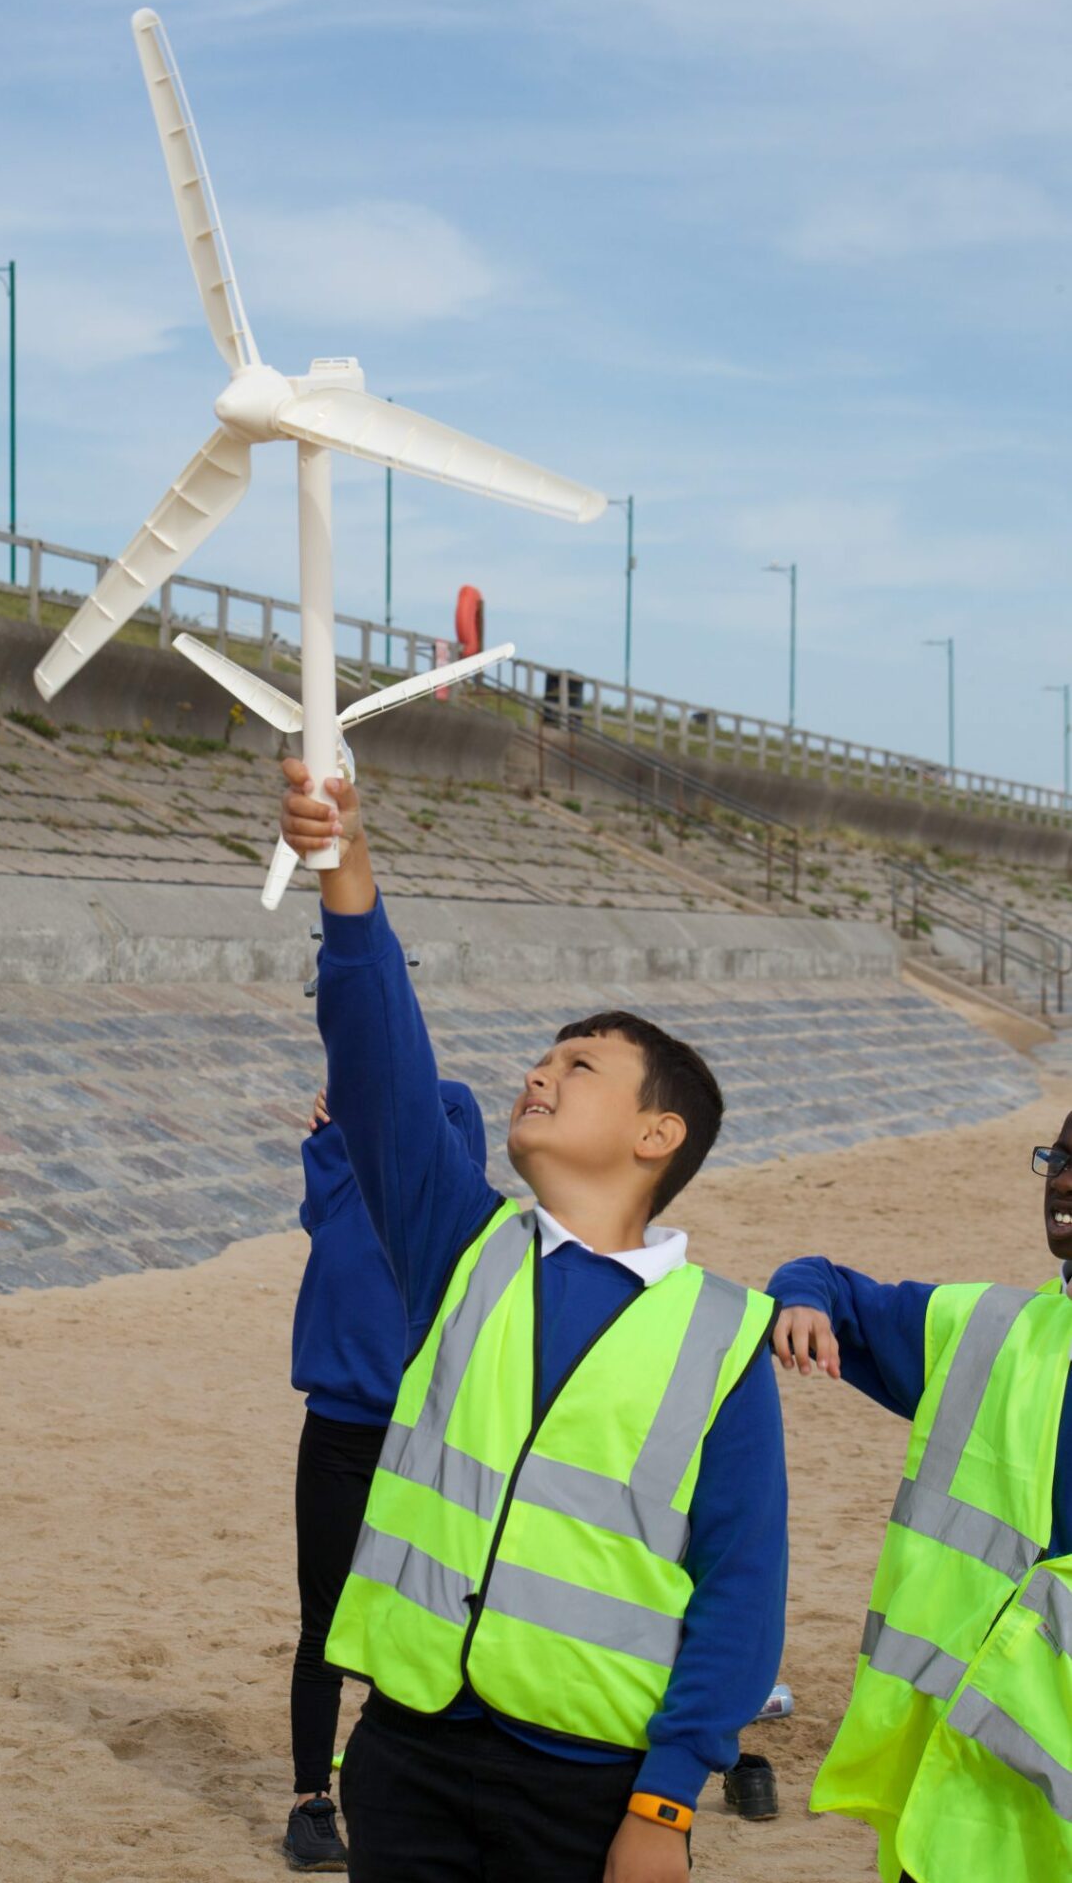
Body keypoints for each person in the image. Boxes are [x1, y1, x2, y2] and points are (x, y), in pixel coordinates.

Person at [278, 758, 788, 1883]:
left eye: (580, 1064)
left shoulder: (726, 1338)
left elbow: (742, 1595)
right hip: (406, 1751)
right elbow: (379, 1059)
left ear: (658, 1135)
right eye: (543, 1055)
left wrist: (666, 1802)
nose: (537, 1072)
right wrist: (348, 865)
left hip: (591, 1788)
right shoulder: (463, 1242)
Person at [768, 1106, 1072, 1883]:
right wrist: (801, 1300)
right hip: (954, 1796)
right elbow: (825, 1281)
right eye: (1058, 1157)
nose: (1062, 1181)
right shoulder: (990, 1331)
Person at [285, 1080, 487, 1872]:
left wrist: (399, 1093)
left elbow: (456, 1116)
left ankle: (396, 1783)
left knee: (416, 1619)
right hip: (337, 1436)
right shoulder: (340, 1189)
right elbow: (347, 1109)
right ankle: (309, 1800)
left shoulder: (456, 1223)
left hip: (423, 1443)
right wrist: (345, 1105)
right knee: (325, 1625)